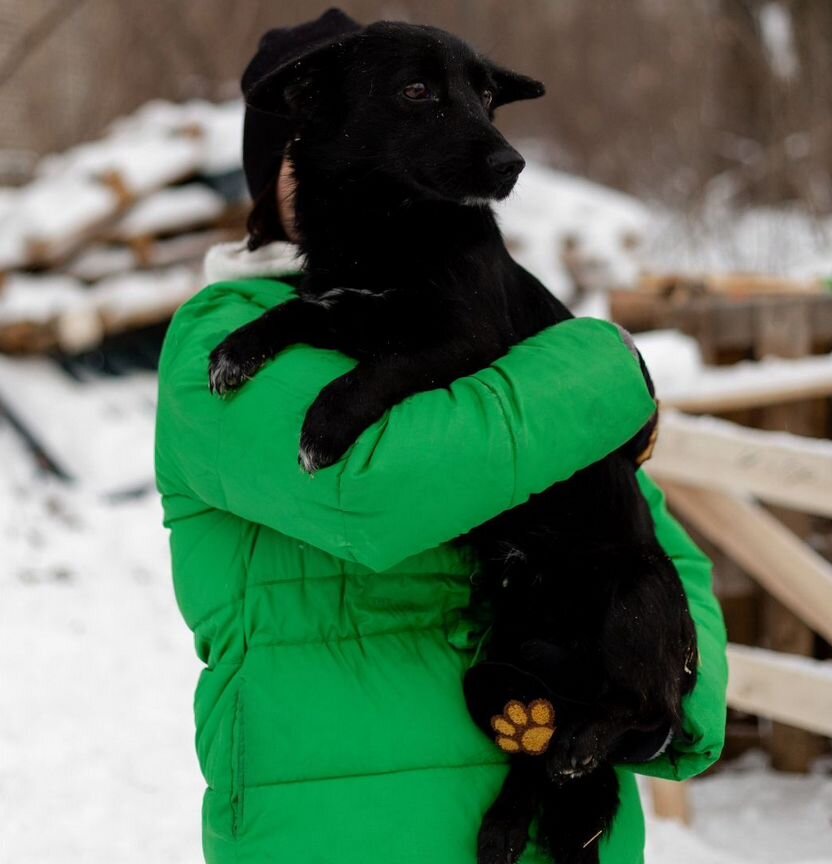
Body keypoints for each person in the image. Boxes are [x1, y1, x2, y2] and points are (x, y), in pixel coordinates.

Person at [155, 11, 727, 864]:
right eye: (414, 102)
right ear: (294, 153)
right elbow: (379, 489)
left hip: (552, 831)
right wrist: (609, 369)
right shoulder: (215, 342)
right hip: (354, 838)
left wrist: (665, 701)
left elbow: (658, 557)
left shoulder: (488, 299)